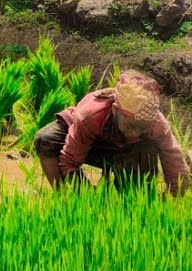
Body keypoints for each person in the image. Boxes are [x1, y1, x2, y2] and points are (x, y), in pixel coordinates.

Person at [34, 69, 189, 195]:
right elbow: (69, 161)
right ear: (115, 110)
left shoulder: (157, 124)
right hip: (89, 143)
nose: (135, 134)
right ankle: (62, 196)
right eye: (130, 126)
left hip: (124, 152)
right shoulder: (91, 115)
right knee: (45, 139)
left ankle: (134, 196)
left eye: (142, 128)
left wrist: (171, 197)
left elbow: (175, 163)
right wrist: (86, 197)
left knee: (146, 150)